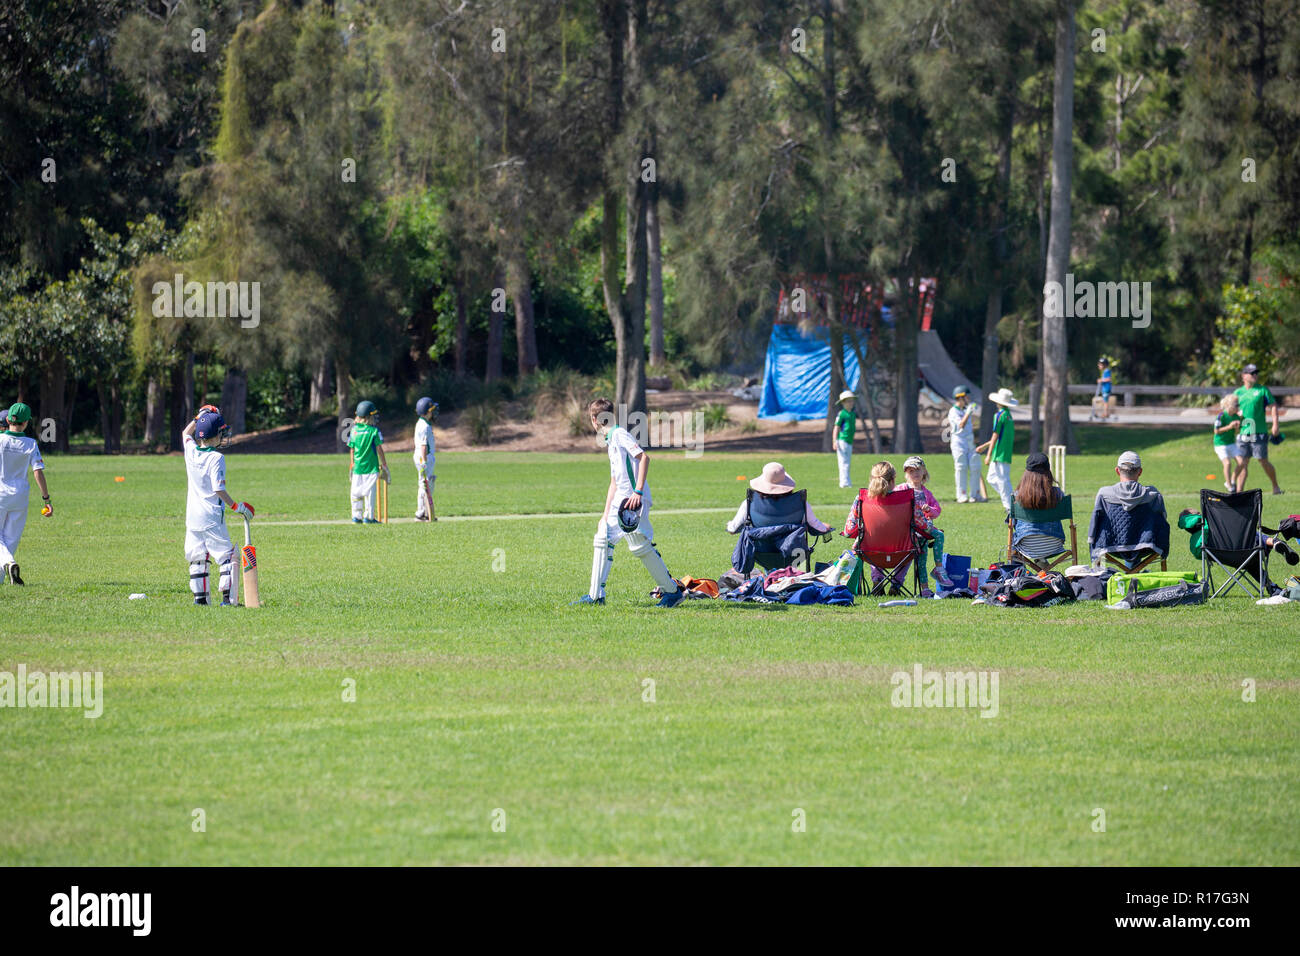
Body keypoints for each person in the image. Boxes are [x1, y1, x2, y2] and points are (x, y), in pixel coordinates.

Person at [573, 398, 683, 607]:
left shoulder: (619, 434)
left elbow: (644, 458)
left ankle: (672, 591)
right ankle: (595, 596)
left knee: (639, 546)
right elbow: (614, 482)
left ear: (595, 419)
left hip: (633, 500)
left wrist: (638, 492)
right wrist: (605, 515)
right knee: (602, 537)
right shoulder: (610, 440)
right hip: (620, 500)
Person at [182, 406, 254, 606]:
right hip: (212, 516)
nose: (223, 435)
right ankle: (227, 600)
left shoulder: (190, 450)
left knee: (198, 558)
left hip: (193, 517)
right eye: (221, 432)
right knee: (227, 556)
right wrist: (236, 506)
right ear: (215, 436)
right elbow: (218, 489)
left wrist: (199, 416)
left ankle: (201, 600)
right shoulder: (216, 458)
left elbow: (185, 433)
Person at [0, 403, 53, 585]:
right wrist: (46, 499)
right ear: (26, 423)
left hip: (0, 493)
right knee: (10, 539)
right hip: (20, 496)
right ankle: (4, 575)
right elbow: (38, 471)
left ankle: (9, 563)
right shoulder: (31, 443)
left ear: (8, 420)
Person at [1087, 450, 1170, 567]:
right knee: (1138, 538)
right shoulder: (1153, 494)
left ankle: (1104, 577)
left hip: (1110, 547)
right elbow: (1162, 520)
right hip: (1146, 546)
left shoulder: (1104, 493)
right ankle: (1133, 574)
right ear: (1140, 472)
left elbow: (1094, 526)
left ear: (1117, 470)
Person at [897, 455, 953, 596]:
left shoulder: (926, 493)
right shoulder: (901, 489)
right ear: (906, 474)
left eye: (918, 470)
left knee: (922, 559)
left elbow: (937, 510)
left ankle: (925, 588)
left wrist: (929, 510)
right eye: (911, 471)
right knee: (938, 535)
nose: (915, 473)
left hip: (923, 530)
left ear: (924, 472)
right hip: (907, 530)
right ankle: (939, 569)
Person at [725, 462, 832, 534]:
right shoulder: (800, 503)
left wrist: (730, 525)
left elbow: (732, 529)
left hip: (760, 550)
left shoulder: (750, 503)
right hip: (792, 551)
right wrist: (825, 527)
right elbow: (815, 526)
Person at [1234, 363, 1283, 495]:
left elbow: (1273, 406)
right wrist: (1235, 414)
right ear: (1244, 376)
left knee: (1263, 460)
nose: (1255, 375)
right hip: (1243, 432)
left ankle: (1276, 487)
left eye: (1256, 373)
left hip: (1259, 432)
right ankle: (1238, 493)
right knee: (1243, 462)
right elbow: (1230, 409)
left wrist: (1275, 424)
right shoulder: (1238, 393)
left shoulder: (1262, 390)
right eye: (1252, 373)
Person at [1009, 452, 1067, 562]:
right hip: (1054, 545)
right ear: (1048, 471)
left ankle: (1017, 573)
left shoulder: (1017, 495)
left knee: (1013, 534)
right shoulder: (1058, 494)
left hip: (1026, 546)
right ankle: (1042, 565)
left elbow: (1011, 524)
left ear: (1026, 473)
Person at [976, 387, 1018, 511]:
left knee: (1003, 480)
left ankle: (1010, 505)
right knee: (992, 478)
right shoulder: (1008, 416)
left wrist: (988, 454)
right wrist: (984, 446)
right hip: (1002, 452)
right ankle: (1013, 500)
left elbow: (995, 435)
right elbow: (1000, 437)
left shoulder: (999, 415)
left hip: (1000, 453)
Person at [348, 400, 389, 523]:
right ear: (368, 416)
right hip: (371, 467)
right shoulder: (374, 431)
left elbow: (352, 449)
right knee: (370, 493)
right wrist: (385, 464)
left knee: (355, 493)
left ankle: (356, 516)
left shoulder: (353, 431)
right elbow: (379, 449)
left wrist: (352, 464)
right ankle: (369, 517)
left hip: (358, 468)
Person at [947, 385, 983, 502]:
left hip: (969, 442)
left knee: (975, 466)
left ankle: (975, 495)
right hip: (958, 443)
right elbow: (961, 425)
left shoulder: (964, 410)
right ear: (960, 397)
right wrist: (968, 412)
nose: (969, 398)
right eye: (967, 396)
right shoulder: (953, 411)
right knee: (961, 467)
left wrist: (968, 411)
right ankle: (961, 495)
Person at [1212, 393, 1244, 493]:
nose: (1238, 407)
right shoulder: (1221, 416)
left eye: (1238, 405)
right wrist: (1229, 427)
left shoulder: (1237, 417)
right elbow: (1216, 431)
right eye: (1236, 405)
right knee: (1227, 463)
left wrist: (1237, 427)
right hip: (1220, 444)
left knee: (1242, 463)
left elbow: (1237, 432)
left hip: (1231, 443)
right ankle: (1229, 485)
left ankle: (1232, 479)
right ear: (1229, 406)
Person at [413, 397, 438, 521]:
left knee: (425, 483)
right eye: (432, 409)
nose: (433, 412)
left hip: (423, 456)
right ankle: (421, 513)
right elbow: (423, 446)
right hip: (424, 457)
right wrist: (424, 462)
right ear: (428, 411)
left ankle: (425, 512)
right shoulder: (424, 426)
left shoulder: (421, 423)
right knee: (425, 484)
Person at [833, 389, 856, 488]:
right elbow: (836, 427)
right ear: (843, 403)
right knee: (843, 462)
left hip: (849, 441)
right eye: (848, 401)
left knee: (848, 462)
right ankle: (844, 483)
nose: (851, 403)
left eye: (852, 401)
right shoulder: (841, 414)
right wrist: (834, 441)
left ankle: (847, 481)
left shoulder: (853, 414)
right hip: (842, 440)